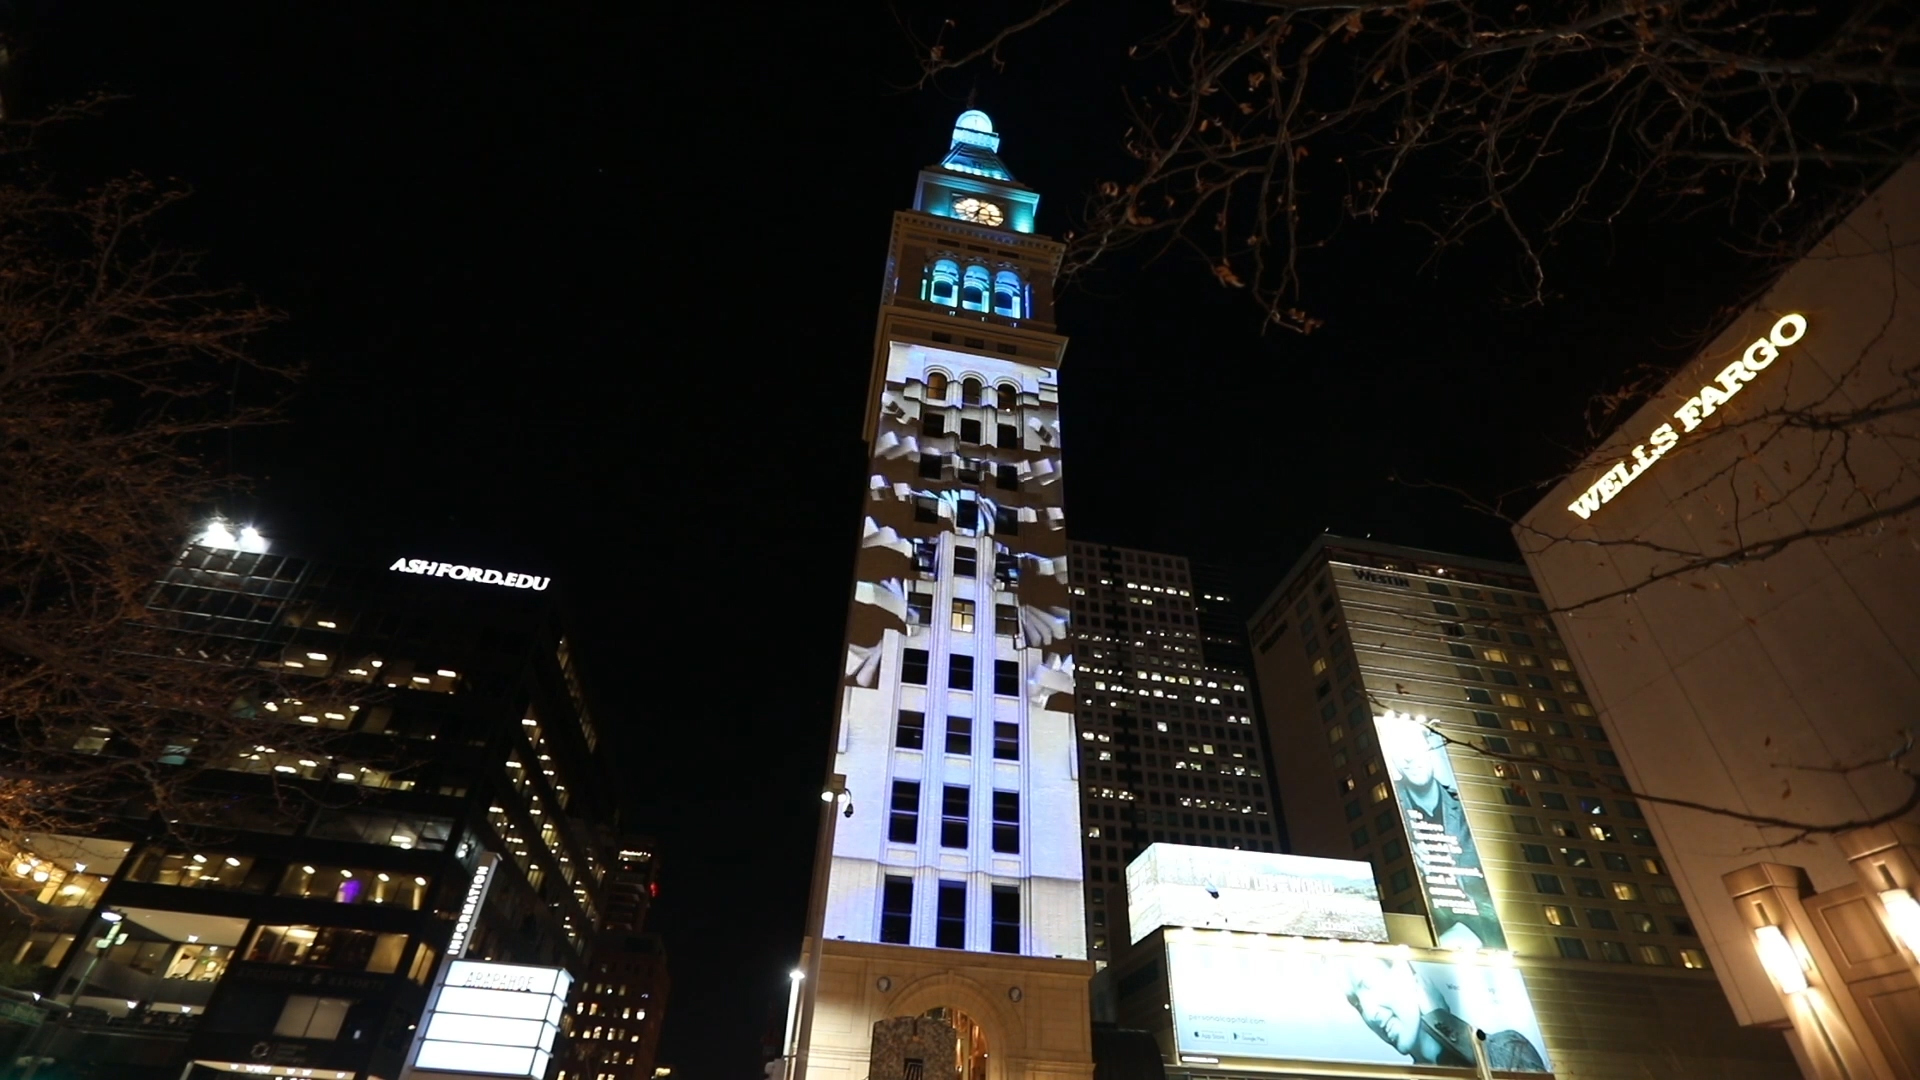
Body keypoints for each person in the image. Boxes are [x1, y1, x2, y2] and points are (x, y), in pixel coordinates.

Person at [1377, 716, 1506, 951]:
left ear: (1431, 752)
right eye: (1400, 751)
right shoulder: (1387, 814)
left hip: (1479, 938)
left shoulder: (1463, 810)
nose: (1408, 758)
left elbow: (1484, 895)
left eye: (1415, 749)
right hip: (1425, 940)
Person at [1342, 957, 1547, 1071]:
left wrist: (1440, 1018)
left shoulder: (1507, 1048)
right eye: (1358, 1005)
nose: (1370, 1014)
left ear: (1406, 974)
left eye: (1368, 985)